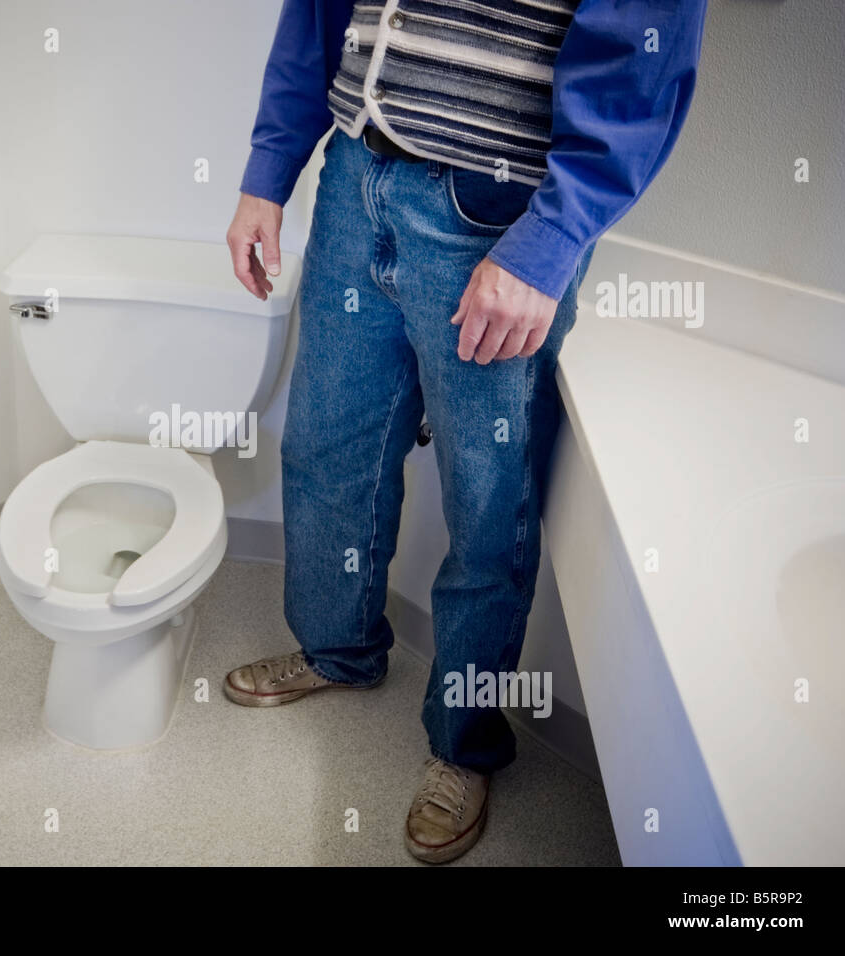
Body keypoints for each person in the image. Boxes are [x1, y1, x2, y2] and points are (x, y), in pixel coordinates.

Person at [223, 0, 707, 863]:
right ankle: (338, 651)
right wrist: (269, 167)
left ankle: (464, 744)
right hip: (352, 173)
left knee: (489, 499)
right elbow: (318, 13)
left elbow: (646, 51)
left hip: (492, 212)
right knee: (327, 446)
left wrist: (551, 238)